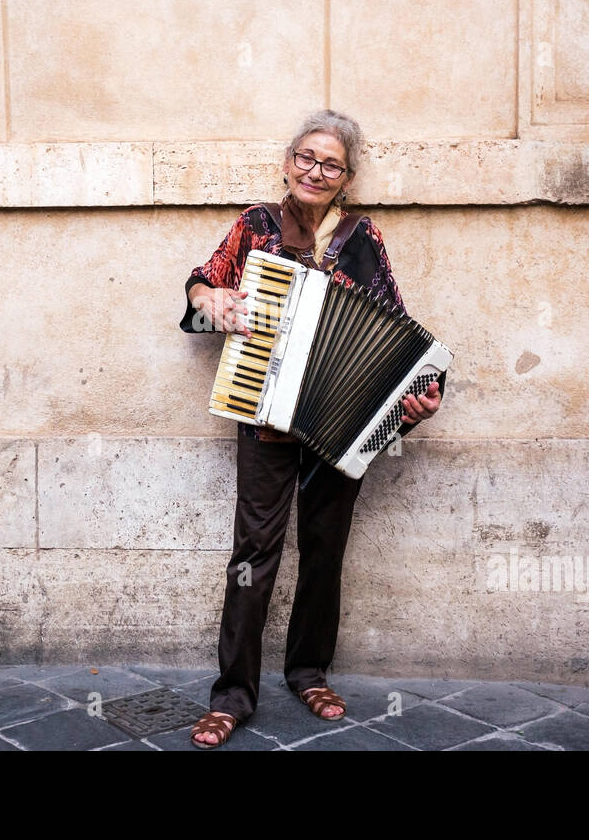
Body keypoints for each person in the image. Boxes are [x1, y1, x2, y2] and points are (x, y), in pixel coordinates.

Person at [178, 109, 445, 748]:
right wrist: (207, 301)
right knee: (253, 555)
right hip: (263, 416)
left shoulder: (364, 237)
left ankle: (308, 671)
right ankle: (233, 694)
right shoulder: (255, 226)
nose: (315, 171)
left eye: (331, 164)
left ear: (347, 177)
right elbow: (200, 288)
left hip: (339, 426)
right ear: (289, 160)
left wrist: (418, 396)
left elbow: (397, 333)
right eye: (306, 157)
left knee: (324, 552)